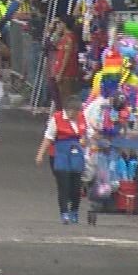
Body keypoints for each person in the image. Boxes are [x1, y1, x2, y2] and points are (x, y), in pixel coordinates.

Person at [37, 92, 89, 224]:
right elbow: (48, 138)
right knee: (63, 185)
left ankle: (74, 210)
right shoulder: (57, 118)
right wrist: (40, 154)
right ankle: (64, 212)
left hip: (76, 155)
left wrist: (85, 142)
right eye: (75, 112)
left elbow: (86, 135)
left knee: (76, 185)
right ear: (69, 110)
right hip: (59, 155)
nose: (77, 115)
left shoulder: (82, 118)